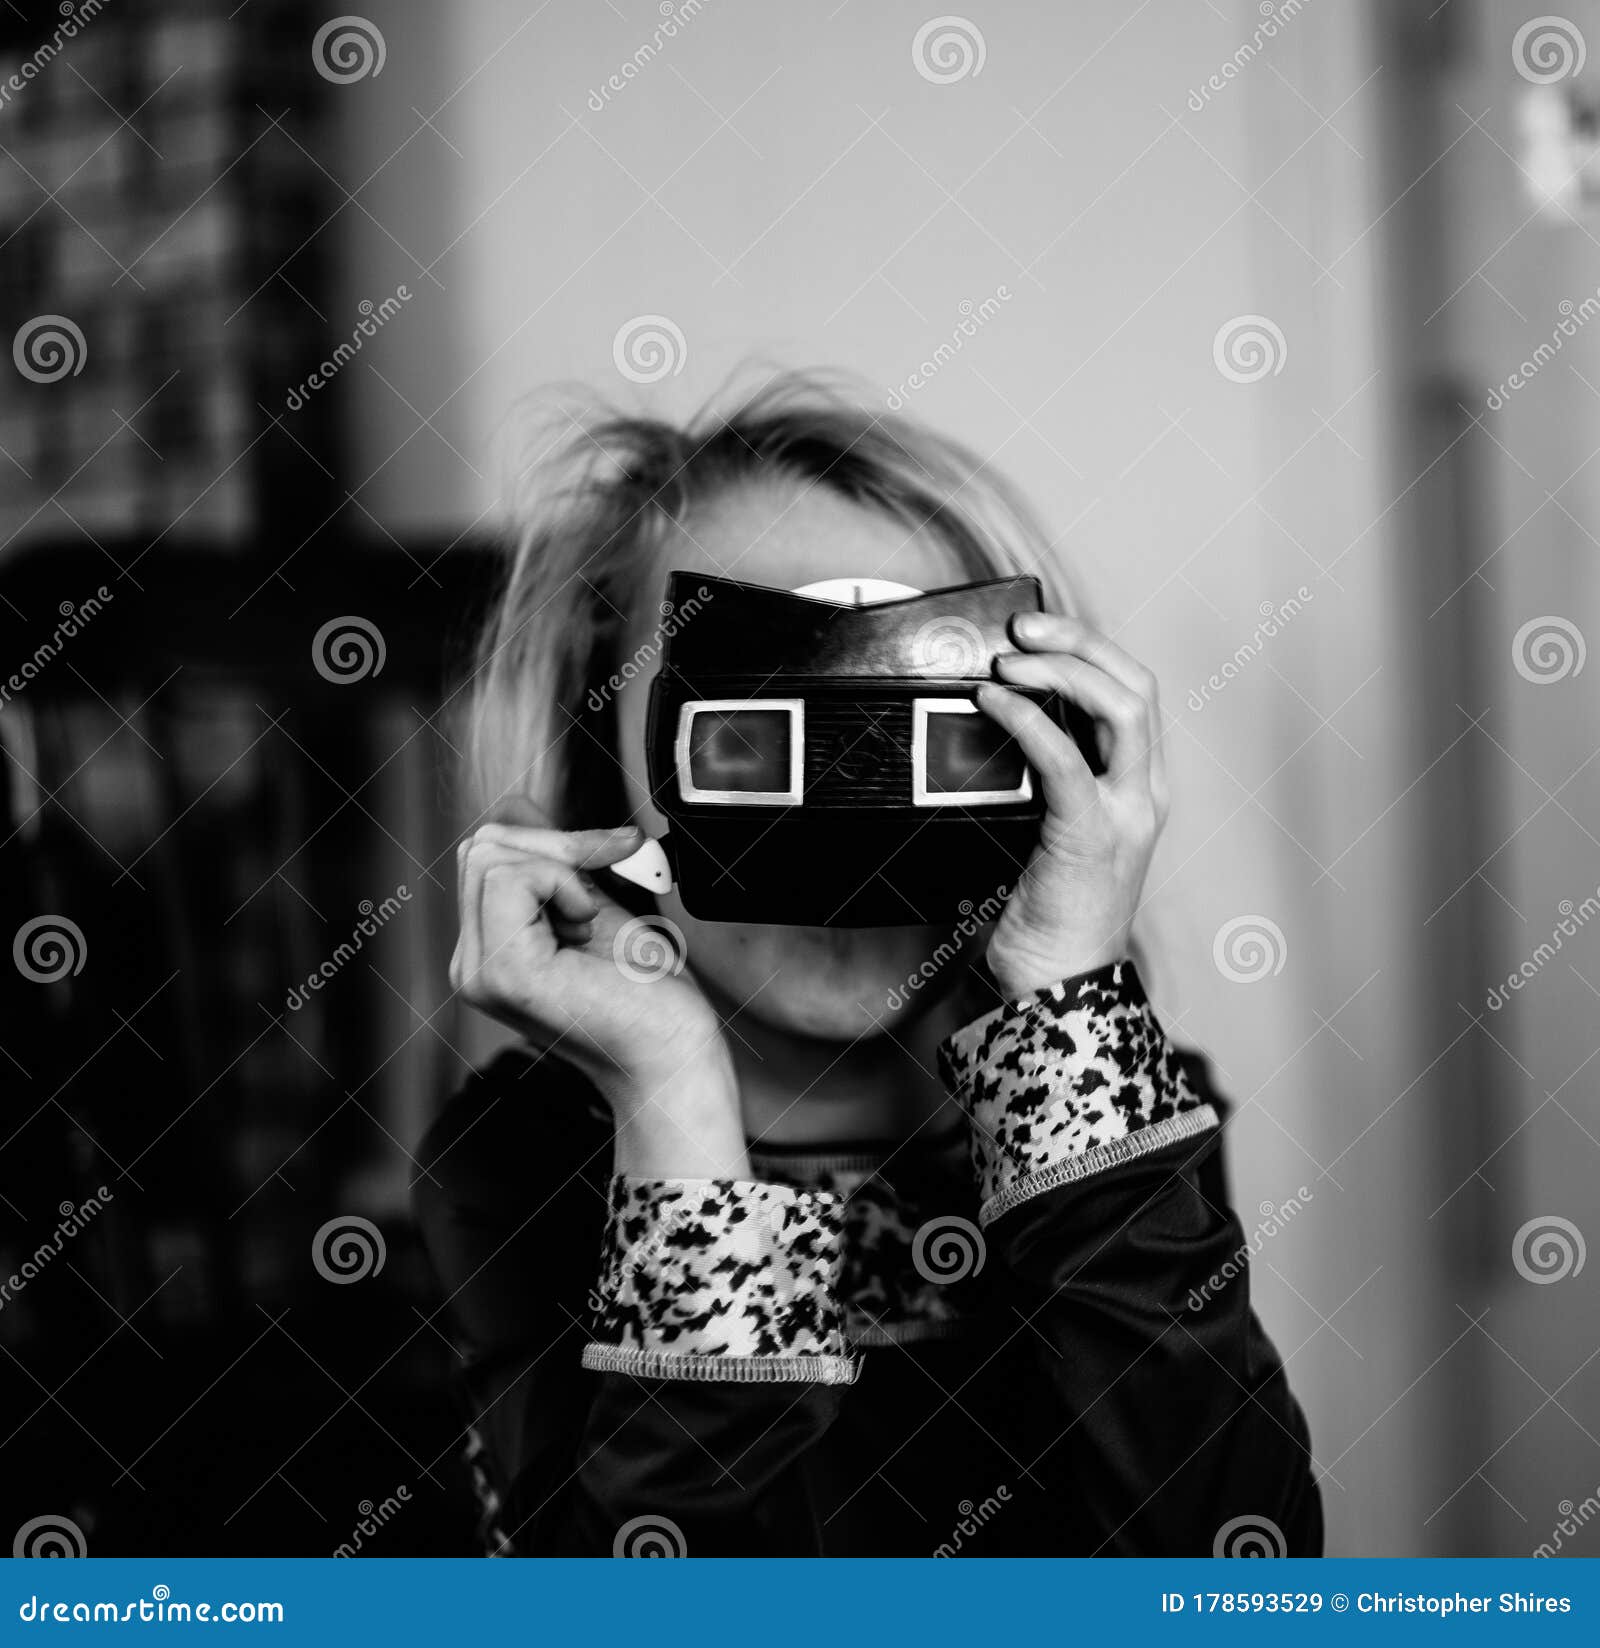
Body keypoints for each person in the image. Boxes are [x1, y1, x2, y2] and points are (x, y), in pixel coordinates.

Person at [413, 373, 1323, 1557]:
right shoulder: (523, 1158)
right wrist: (675, 1105)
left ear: (1048, 751)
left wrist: (1069, 1012)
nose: (845, 842)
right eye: (745, 740)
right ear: (610, 770)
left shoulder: (1110, 1113)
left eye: (938, 732)